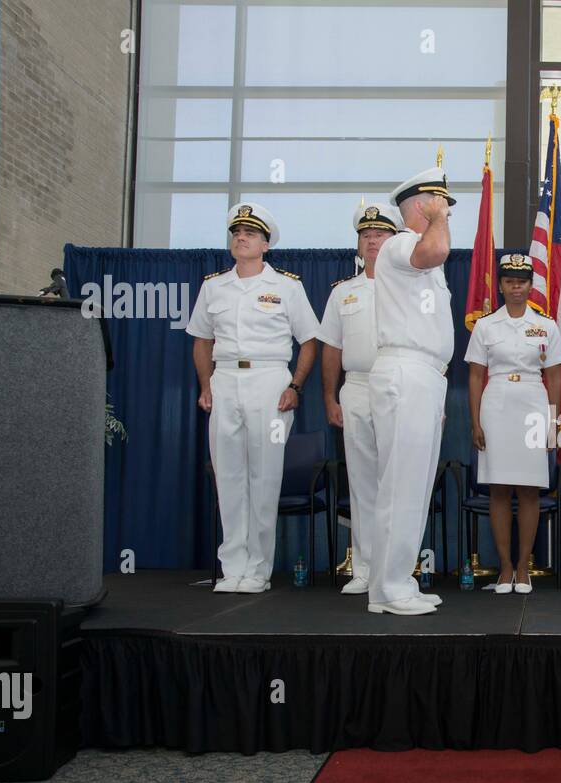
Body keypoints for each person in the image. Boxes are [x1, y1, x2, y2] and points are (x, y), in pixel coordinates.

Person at [186, 202, 319, 593]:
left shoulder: (287, 287)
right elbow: (201, 339)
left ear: (265, 245)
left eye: (250, 234)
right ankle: (233, 568)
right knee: (228, 477)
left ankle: (258, 570)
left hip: (269, 381)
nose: (240, 238)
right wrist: (206, 385)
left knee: (264, 476)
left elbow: (309, 340)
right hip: (226, 378)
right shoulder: (213, 286)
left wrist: (294, 386)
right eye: (236, 233)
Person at [366, 168, 456, 616]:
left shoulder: (418, 255)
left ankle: (395, 581)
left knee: (414, 486)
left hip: (424, 376)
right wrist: (437, 220)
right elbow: (437, 247)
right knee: (401, 485)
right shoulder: (403, 243)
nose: (447, 216)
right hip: (405, 370)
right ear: (422, 206)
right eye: (441, 206)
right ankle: (388, 587)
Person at [466, 254, 561, 594]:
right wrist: (475, 421)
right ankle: (504, 567)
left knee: (528, 489)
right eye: (510, 281)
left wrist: (552, 423)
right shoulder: (485, 326)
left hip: (532, 402)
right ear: (501, 285)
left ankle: (524, 566)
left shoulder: (546, 325)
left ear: (530, 285)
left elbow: (554, 378)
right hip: (496, 405)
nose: (516, 287)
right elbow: (476, 376)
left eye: (522, 281)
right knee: (498, 489)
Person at [320, 202, 402, 595]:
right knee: (362, 480)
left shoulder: (409, 285)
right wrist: (329, 398)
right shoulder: (342, 293)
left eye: (381, 234)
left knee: (396, 480)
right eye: (367, 235)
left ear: (394, 240)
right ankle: (365, 568)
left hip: (397, 386)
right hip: (354, 387)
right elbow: (331, 348)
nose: (373, 240)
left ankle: (395, 568)